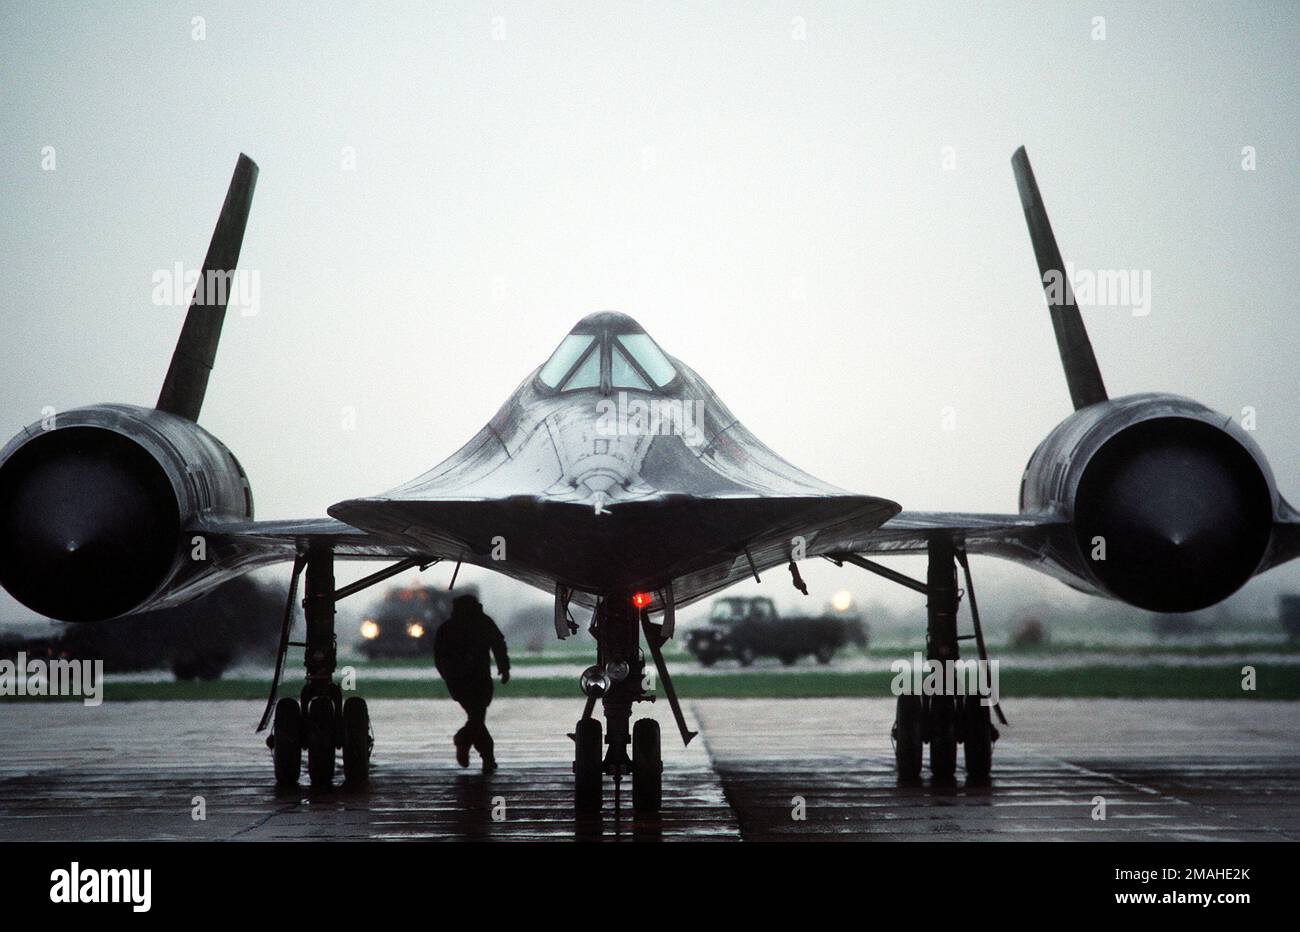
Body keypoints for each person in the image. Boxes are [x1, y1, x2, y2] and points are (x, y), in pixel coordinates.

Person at [433, 594, 510, 771]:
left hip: (458, 681)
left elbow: (440, 657)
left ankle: (483, 755)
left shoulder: (447, 627)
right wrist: (503, 667)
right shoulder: (483, 622)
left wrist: (448, 676)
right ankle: (470, 745)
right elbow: (498, 644)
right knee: (477, 719)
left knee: (476, 719)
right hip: (480, 679)